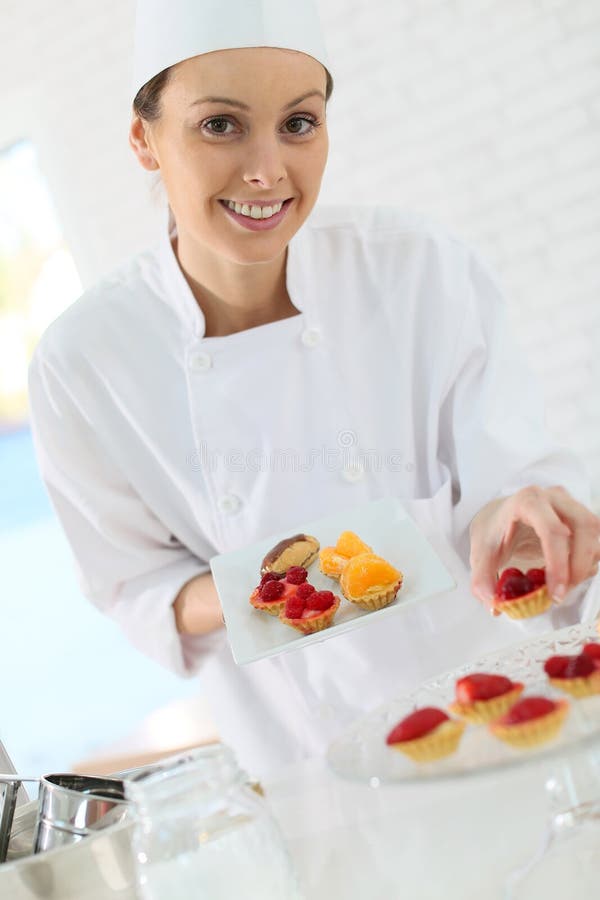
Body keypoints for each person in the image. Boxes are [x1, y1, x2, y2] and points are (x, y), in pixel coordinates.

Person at [28, 0, 600, 776]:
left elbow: (510, 476)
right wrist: (345, 574)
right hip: (312, 760)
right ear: (144, 139)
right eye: (221, 125)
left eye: (299, 123)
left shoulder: (419, 267)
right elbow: (140, 595)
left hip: (502, 710)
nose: (267, 171)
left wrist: (531, 507)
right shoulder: (84, 364)